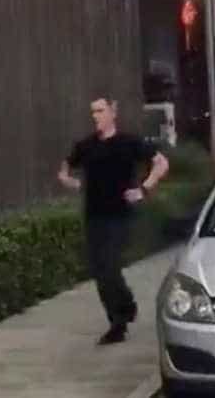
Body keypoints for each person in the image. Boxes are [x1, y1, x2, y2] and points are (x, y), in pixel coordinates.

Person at [57, 96, 170, 345]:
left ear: (112, 112)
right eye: (93, 112)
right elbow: (65, 167)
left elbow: (161, 163)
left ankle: (121, 317)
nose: (96, 116)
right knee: (100, 271)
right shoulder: (86, 146)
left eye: (100, 110)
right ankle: (120, 314)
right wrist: (70, 181)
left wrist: (144, 188)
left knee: (109, 265)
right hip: (94, 216)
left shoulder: (128, 143)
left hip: (120, 216)